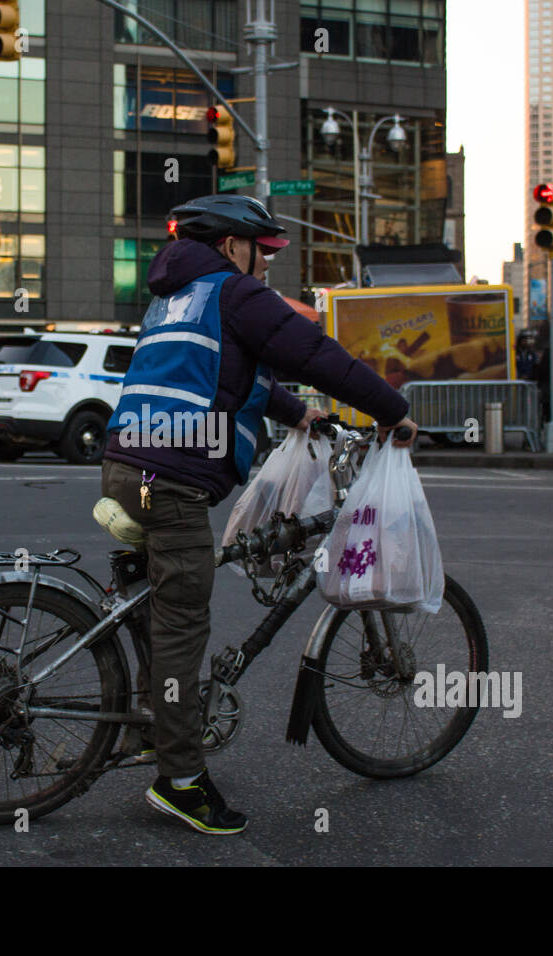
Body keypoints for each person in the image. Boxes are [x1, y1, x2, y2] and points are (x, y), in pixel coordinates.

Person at [100, 194, 417, 835]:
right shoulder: (235, 293)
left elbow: (226, 375)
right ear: (229, 245)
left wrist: (298, 413)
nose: (266, 264)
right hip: (172, 477)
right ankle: (181, 781)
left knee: (157, 610)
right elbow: (317, 354)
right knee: (183, 623)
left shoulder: (174, 296)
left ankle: (149, 728)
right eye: (260, 250)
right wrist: (391, 408)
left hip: (127, 464)